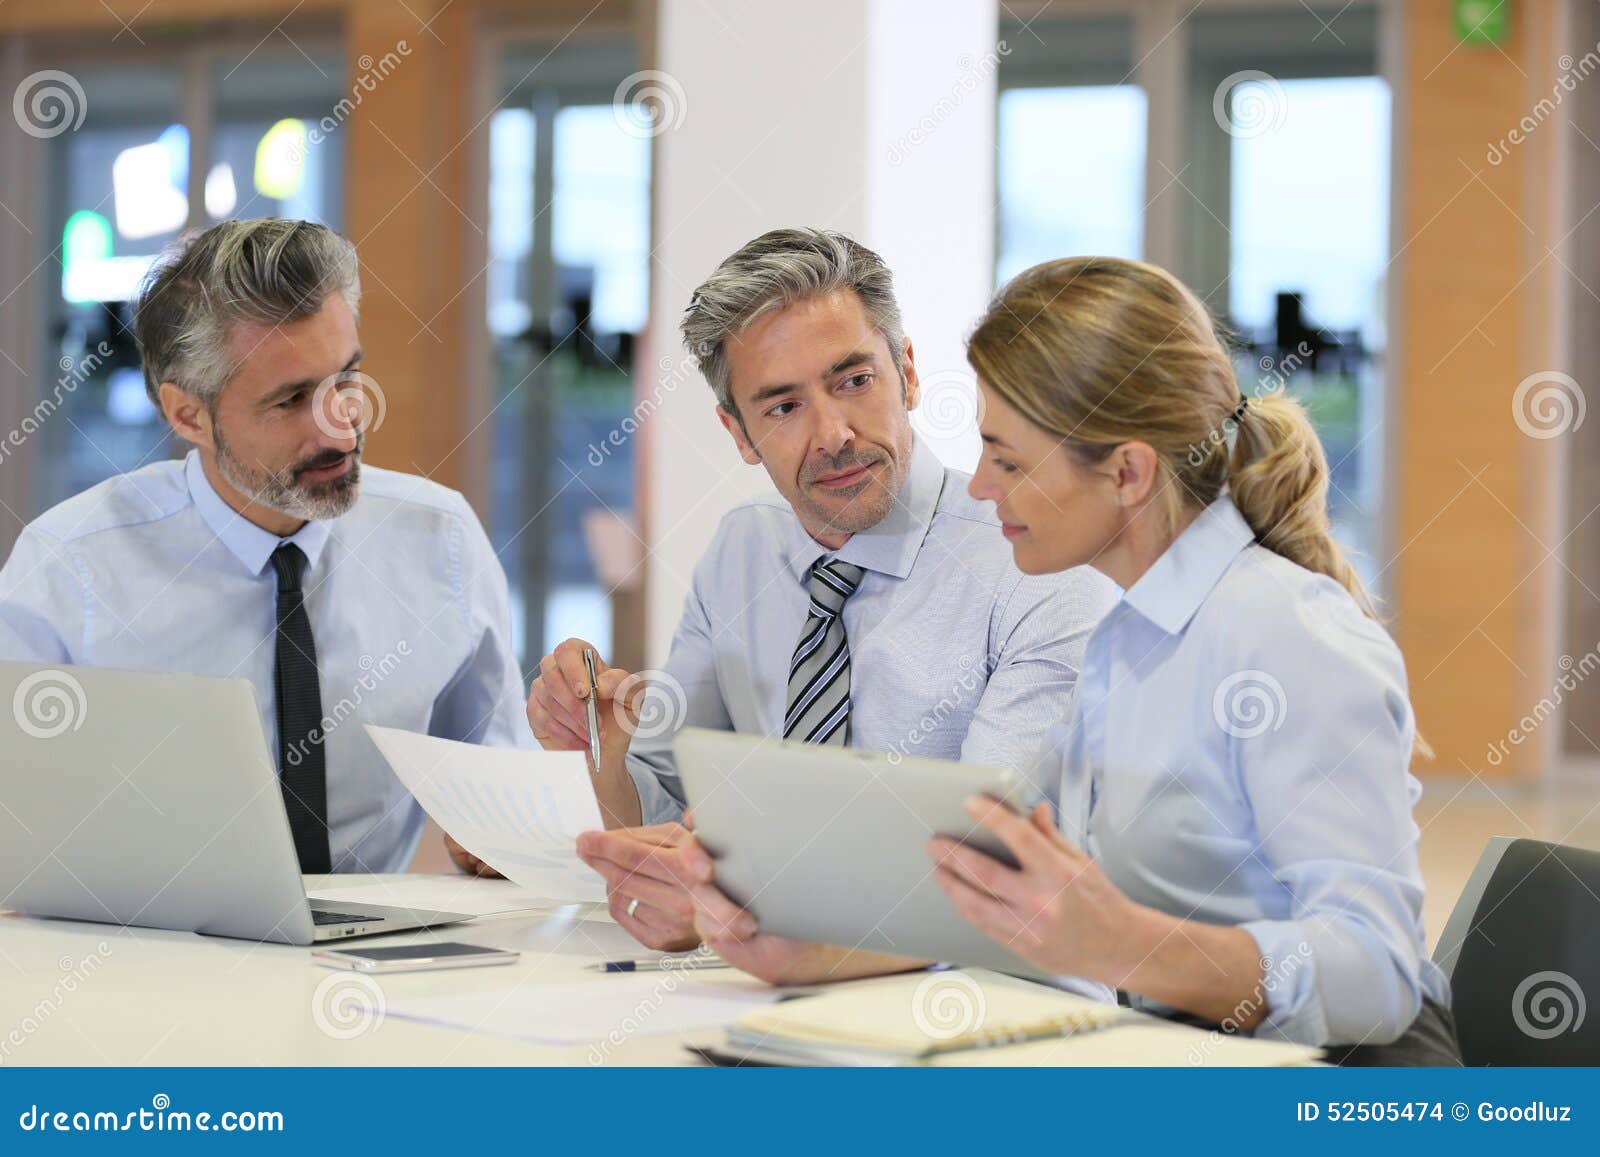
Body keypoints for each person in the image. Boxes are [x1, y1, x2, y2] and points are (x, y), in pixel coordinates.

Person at [690, 256, 1460, 1064]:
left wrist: (1124, 943)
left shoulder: (1285, 634)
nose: (981, 489)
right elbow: (1020, 902)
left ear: (1127, 472)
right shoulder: (1124, 638)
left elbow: (1380, 971)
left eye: (1010, 460)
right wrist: (809, 955)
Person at [524, 228, 1116, 956]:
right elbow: (664, 808)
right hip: (773, 1001)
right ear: (738, 433)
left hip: (996, 1018)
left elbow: (991, 865)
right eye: (782, 407)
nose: (834, 433)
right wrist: (607, 755)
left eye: (854, 380)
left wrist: (727, 906)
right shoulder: (742, 549)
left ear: (907, 371)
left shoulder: (1036, 564)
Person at [0, 218, 529, 875]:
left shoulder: (438, 540)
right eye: (291, 400)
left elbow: (505, 788)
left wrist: (511, 831)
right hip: (141, 956)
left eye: (346, 378)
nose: (340, 426)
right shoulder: (73, 565)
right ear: (188, 414)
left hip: (375, 962)